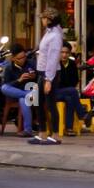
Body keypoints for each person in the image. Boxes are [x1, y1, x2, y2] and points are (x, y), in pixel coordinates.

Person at [31, 7, 64, 145]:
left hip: (49, 73)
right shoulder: (48, 32)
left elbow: (53, 58)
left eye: (44, 18)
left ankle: (55, 135)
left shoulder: (55, 36)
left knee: (50, 104)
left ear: (50, 20)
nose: (42, 20)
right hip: (41, 70)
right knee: (37, 102)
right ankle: (42, 132)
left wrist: (48, 79)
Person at [0, 45, 36, 137]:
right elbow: (7, 85)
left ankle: (28, 130)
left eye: (24, 57)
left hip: (31, 92)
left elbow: (40, 79)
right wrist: (19, 80)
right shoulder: (8, 68)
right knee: (4, 88)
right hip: (17, 93)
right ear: (13, 59)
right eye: (20, 58)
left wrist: (34, 77)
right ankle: (26, 95)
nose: (23, 59)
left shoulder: (31, 63)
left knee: (23, 100)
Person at [51, 42, 83, 137]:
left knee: (70, 99)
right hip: (54, 93)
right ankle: (82, 114)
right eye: (62, 52)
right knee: (73, 91)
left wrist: (66, 85)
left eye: (66, 52)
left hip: (66, 93)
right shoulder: (54, 64)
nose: (64, 55)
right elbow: (55, 83)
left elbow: (75, 80)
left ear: (69, 53)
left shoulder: (72, 64)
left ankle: (69, 128)